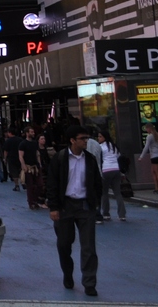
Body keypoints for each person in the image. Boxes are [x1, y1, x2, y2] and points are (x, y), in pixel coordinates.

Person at [46, 125, 102, 297]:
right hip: (65, 207)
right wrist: (54, 207)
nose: (86, 141)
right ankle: (68, 274)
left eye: (87, 138)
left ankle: (89, 283)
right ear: (72, 140)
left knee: (89, 247)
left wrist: (95, 203)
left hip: (85, 207)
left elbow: (97, 182)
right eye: (82, 138)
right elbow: (52, 183)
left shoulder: (90, 159)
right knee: (64, 244)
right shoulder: (60, 159)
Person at [97, 129, 126, 222]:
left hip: (106, 170)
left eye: (100, 136)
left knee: (104, 193)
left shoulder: (100, 147)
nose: (98, 138)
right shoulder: (114, 146)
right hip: (116, 170)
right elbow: (119, 157)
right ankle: (122, 215)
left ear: (104, 137)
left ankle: (106, 214)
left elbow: (99, 159)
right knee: (118, 193)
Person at [20, 126, 44, 209]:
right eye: (31, 132)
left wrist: (39, 164)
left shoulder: (34, 143)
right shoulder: (23, 144)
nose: (33, 133)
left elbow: (37, 153)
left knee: (40, 185)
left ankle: (34, 199)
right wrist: (24, 166)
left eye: (33, 132)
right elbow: (21, 156)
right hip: (28, 167)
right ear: (27, 133)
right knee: (30, 186)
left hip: (35, 166)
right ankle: (31, 203)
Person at [139, 123, 158, 194]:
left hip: (155, 156)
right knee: (153, 171)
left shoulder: (150, 136)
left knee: (157, 172)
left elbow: (146, 147)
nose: (146, 130)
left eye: (146, 129)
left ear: (149, 128)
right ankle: (157, 188)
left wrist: (141, 156)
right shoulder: (157, 135)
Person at [3, 126, 22, 192]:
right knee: (20, 170)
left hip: (11, 158)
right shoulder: (20, 140)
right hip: (19, 157)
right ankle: (22, 182)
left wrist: (5, 159)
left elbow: (6, 151)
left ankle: (17, 185)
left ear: (10, 133)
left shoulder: (8, 141)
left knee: (14, 172)